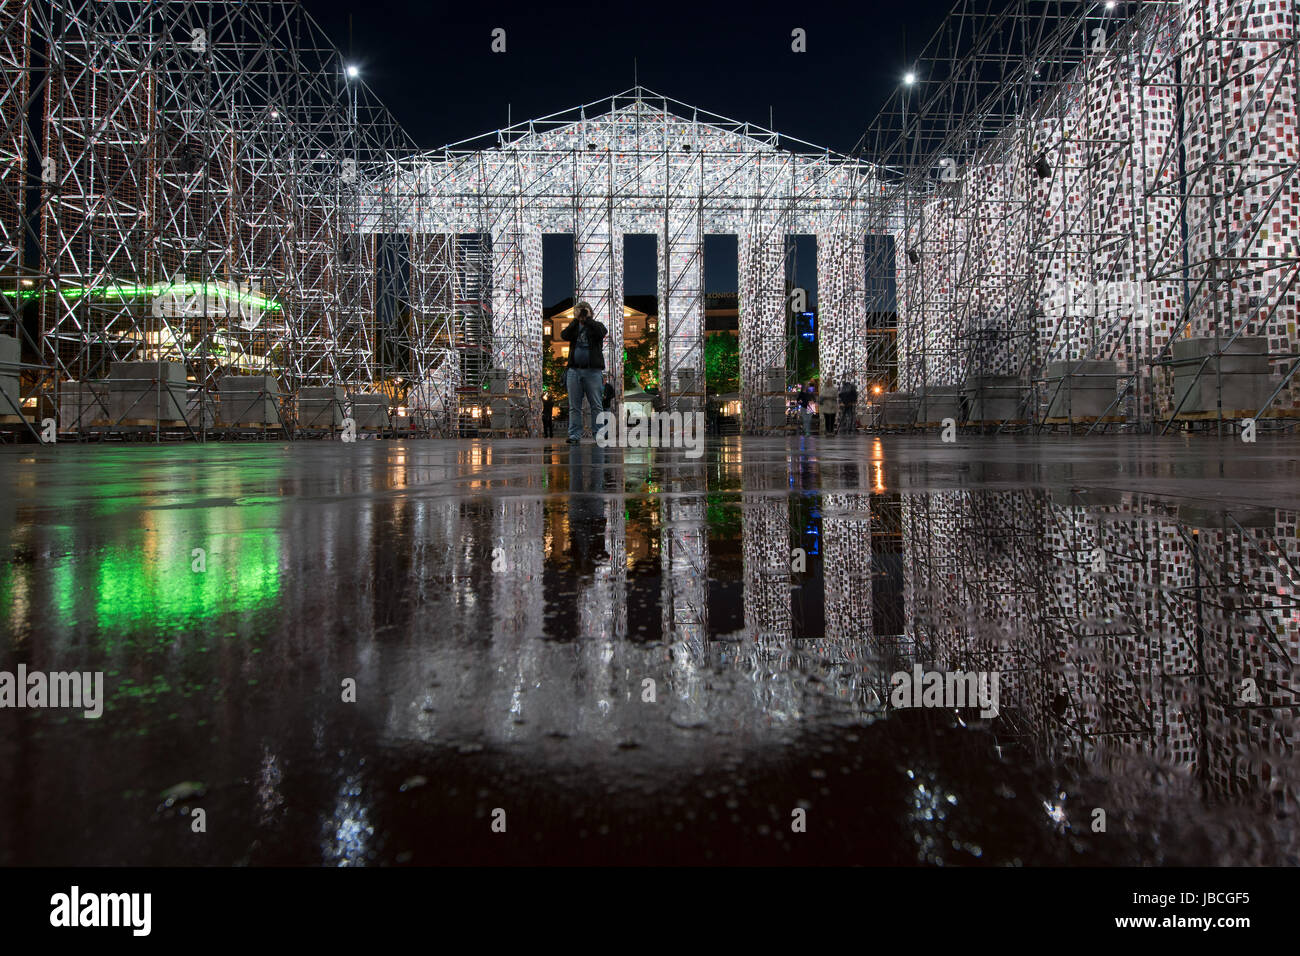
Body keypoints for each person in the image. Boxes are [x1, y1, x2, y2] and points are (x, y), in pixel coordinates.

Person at [560, 300, 607, 444]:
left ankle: (598, 434)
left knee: (596, 405)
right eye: (579, 310)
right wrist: (576, 320)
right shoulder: (574, 327)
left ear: (591, 312)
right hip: (574, 370)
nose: (582, 312)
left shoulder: (596, 326)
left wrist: (588, 320)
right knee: (574, 406)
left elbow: (602, 332)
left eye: (584, 310)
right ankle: (574, 435)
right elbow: (564, 335)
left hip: (593, 371)